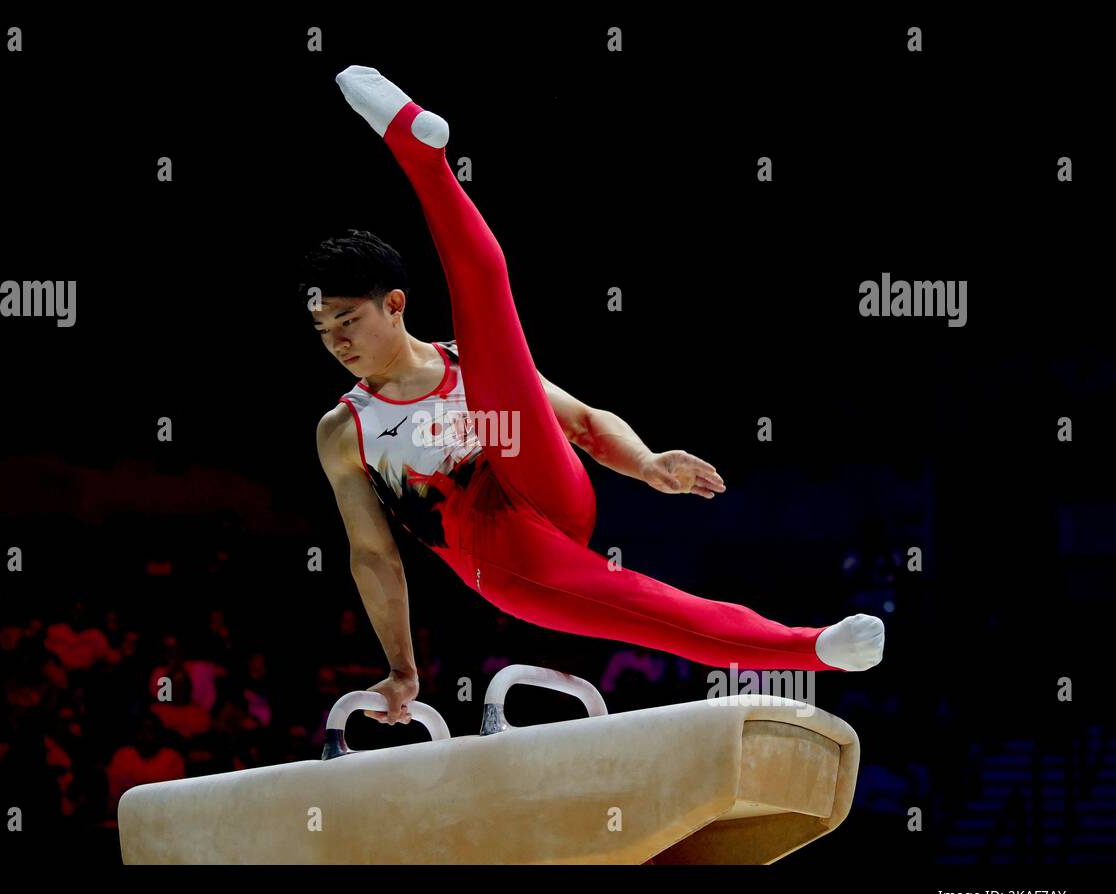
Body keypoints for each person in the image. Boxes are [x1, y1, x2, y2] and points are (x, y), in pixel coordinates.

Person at [309, 66, 884, 726]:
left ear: (395, 306)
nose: (336, 342)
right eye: (323, 329)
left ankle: (419, 152)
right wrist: (403, 669)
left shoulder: (465, 361)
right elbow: (374, 554)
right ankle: (815, 647)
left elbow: (582, 421)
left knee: (489, 307)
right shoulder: (345, 430)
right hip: (507, 559)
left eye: (347, 322)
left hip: (548, 485)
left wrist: (645, 463)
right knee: (653, 610)